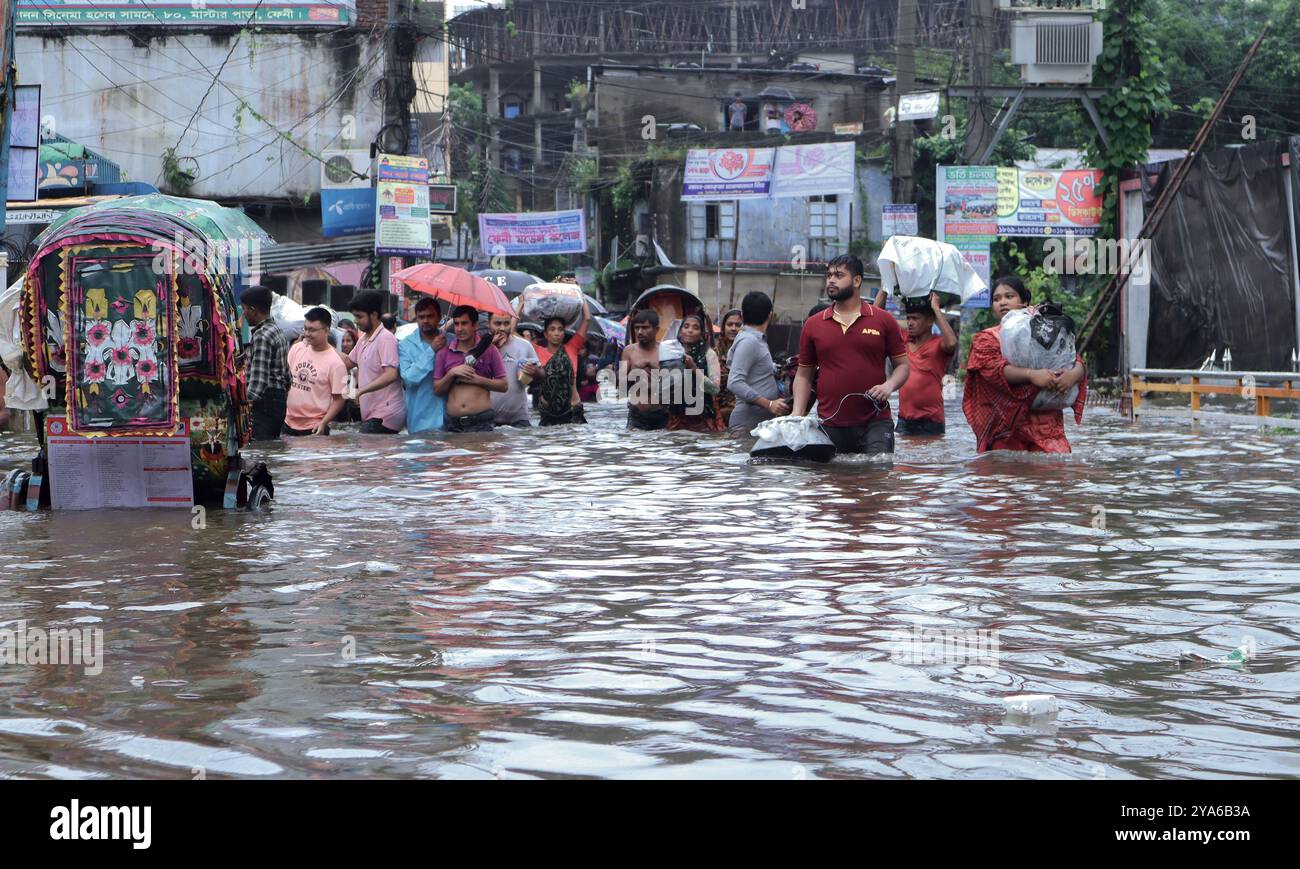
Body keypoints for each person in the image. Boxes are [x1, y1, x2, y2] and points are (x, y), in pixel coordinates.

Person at [791, 254, 910, 455]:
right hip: (829, 424)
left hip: (876, 422)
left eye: (838, 275)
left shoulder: (883, 320)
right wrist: (796, 414)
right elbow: (804, 375)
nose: (831, 280)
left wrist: (888, 385)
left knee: (877, 476)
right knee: (832, 483)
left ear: (857, 281)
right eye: (828, 275)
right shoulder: (813, 324)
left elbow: (903, 366)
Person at [963, 276, 1087, 452]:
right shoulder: (986, 339)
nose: (1002, 303)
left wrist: (1072, 376)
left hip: (1048, 428)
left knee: (1054, 475)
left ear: (1025, 301)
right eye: (996, 299)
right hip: (1007, 431)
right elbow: (991, 369)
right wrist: (1032, 375)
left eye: (1009, 296)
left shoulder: (1044, 328)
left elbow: (1072, 358)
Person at [433, 305, 508, 433]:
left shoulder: (490, 350)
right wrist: (451, 373)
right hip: (452, 423)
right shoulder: (443, 353)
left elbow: (503, 385)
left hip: (481, 421)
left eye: (464, 323)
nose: (459, 329)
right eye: (456, 324)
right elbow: (437, 390)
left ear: (475, 325)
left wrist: (476, 379)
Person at [896, 292, 959, 436]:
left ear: (930, 321)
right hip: (904, 420)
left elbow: (952, 343)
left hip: (930, 421)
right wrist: (886, 286)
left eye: (915, 319)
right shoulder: (904, 340)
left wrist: (936, 308)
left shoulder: (938, 344)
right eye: (908, 319)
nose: (910, 323)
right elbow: (879, 317)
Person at [344, 289, 406, 434]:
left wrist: (361, 391)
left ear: (374, 315)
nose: (356, 321)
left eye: (359, 317)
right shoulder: (364, 339)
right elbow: (347, 362)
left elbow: (391, 374)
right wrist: (322, 348)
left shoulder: (385, 338)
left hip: (386, 414)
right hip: (372, 414)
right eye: (355, 317)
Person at [726, 291, 789, 434]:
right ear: (770, 316)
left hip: (759, 424)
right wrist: (769, 404)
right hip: (746, 424)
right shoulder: (749, 341)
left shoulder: (757, 339)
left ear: (742, 316)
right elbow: (734, 382)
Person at [283, 307, 348, 436]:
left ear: (326, 331)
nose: (306, 334)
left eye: (312, 330)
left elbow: (340, 399)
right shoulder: (297, 349)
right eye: (305, 328)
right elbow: (285, 380)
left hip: (314, 428)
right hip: (287, 423)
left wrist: (323, 422)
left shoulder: (336, 363)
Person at [239, 285, 290, 441]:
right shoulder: (277, 330)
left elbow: (258, 383)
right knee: (271, 447)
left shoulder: (262, 336)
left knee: (260, 449)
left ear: (253, 310)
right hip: (278, 400)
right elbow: (287, 376)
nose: (244, 314)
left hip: (265, 402)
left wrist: (242, 404)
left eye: (245, 309)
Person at [399, 296, 449, 434]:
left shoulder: (451, 341)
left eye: (430, 316)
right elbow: (409, 379)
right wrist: (432, 350)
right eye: (421, 317)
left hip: (450, 420)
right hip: (420, 421)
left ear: (439, 317)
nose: (425, 321)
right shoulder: (405, 345)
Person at [535, 300, 590, 426]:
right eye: (552, 329)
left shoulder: (573, 348)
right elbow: (513, 333)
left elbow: (587, 318)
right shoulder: (537, 351)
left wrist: (579, 294)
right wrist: (521, 304)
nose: (556, 333)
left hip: (572, 410)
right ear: (545, 333)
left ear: (564, 332)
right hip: (547, 412)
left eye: (560, 329)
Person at [667, 313, 723, 432]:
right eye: (686, 326)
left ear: (702, 334)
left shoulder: (709, 354)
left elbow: (715, 389)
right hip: (676, 418)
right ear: (680, 331)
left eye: (695, 328)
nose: (690, 330)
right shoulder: (670, 354)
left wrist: (693, 368)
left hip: (703, 418)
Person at [489, 310, 540, 428]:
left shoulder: (525, 345)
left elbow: (541, 374)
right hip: (488, 419)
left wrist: (535, 372)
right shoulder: (483, 347)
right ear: (489, 324)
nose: (502, 328)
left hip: (519, 418)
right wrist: (492, 348)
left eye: (506, 323)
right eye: (497, 323)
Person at [621, 309, 668, 431]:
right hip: (637, 413)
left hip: (662, 412)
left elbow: (676, 382)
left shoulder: (665, 351)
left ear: (656, 329)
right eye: (637, 328)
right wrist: (633, 372)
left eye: (645, 327)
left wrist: (655, 368)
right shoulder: (629, 351)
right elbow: (619, 384)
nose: (640, 332)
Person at [715, 308, 743, 427]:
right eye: (729, 324)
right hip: (720, 415)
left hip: (744, 412)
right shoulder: (713, 354)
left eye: (738, 325)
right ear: (723, 327)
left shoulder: (750, 351)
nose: (733, 328)